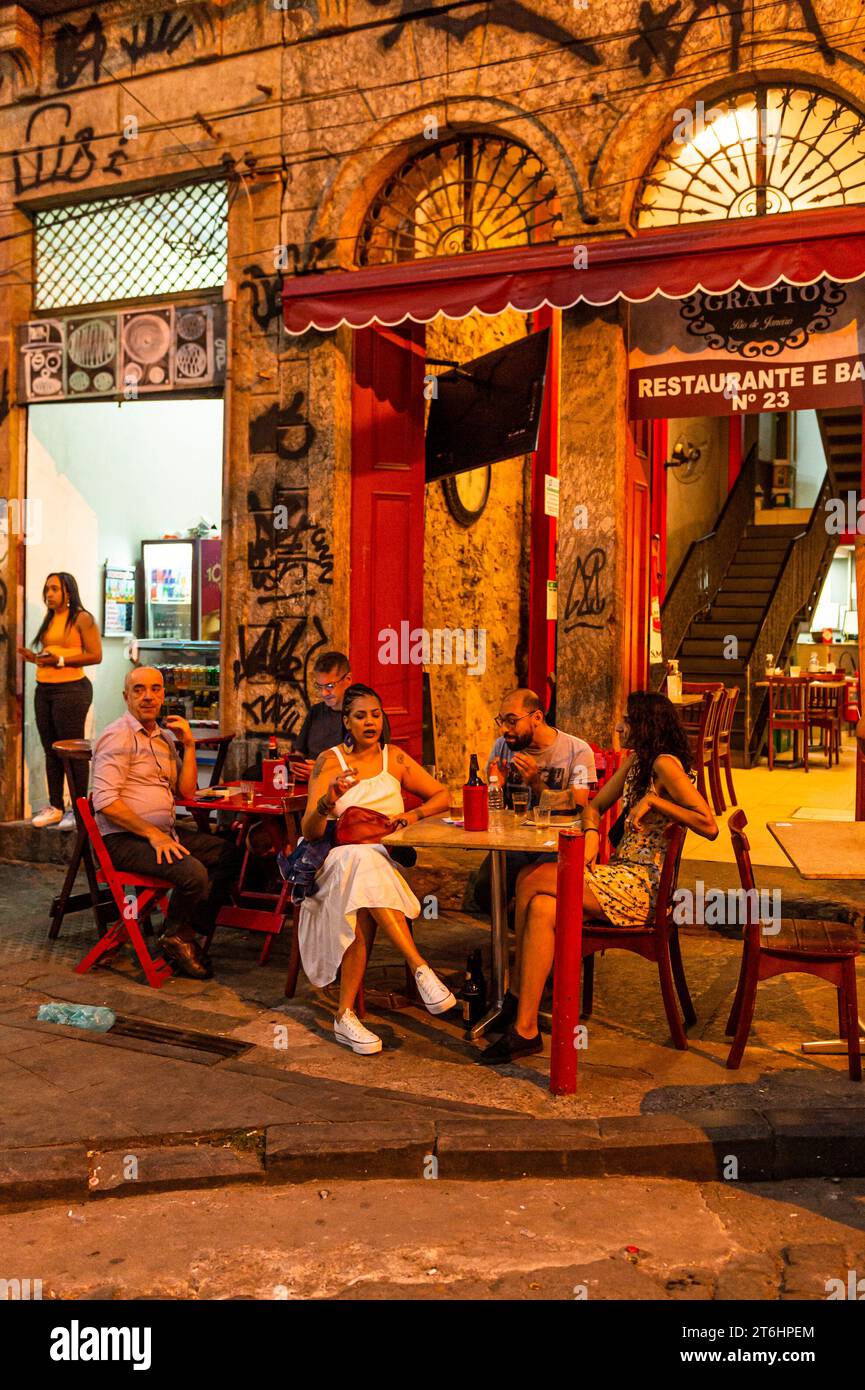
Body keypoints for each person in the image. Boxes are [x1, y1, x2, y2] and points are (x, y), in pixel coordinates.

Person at [481, 690, 718, 1064]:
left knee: (529, 878)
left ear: (644, 724)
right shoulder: (638, 762)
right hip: (618, 876)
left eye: (626, 719)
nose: (619, 726)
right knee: (541, 907)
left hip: (641, 888)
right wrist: (592, 836)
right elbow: (593, 808)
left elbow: (709, 824)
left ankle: (512, 998)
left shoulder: (665, 765)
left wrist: (656, 801)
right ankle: (525, 1028)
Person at [297, 682, 455, 1054]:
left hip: (381, 861)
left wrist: (411, 814)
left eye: (375, 714)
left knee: (364, 886)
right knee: (359, 862)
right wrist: (327, 800)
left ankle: (345, 1016)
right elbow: (309, 830)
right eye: (360, 715)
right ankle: (419, 967)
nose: (370, 722)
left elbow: (443, 795)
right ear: (346, 722)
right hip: (336, 858)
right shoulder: (329, 761)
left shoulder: (395, 758)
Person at [90, 667, 241, 980]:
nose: (148, 696)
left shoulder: (163, 739)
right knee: (193, 874)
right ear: (126, 696)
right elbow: (104, 801)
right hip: (124, 839)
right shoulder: (117, 736)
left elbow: (186, 792)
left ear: (163, 695)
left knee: (228, 854)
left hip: (163, 833)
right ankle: (177, 937)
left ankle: (181, 933)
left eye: (155, 689)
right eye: (139, 690)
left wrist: (189, 744)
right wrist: (152, 835)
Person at [466, 688, 597, 915]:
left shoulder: (577, 751)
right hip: (512, 843)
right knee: (485, 892)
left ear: (537, 717)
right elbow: (493, 809)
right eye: (501, 721)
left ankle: (531, 929)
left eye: (511, 721)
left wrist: (536, 782)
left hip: (554, 844)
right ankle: (516, 925)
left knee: (538, 894)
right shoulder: (502, 746)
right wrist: (497, 784)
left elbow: (578, 808)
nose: (504, 729)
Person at [18, 572, 102, 829]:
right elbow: (54, 653)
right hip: (44, 689)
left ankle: (79, 810)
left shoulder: (82, 618)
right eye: (47, 589)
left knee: (72, 751)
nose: (49, 594)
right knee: (51, 750)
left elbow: (95, 655)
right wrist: (36, 658)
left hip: (72, 690)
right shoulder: (51, 618)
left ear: (68, 592)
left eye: (54, 589)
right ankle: (56, 806)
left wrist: (61, 660)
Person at [292, 651, 352, 781]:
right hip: (308, 787)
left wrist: (320, 772)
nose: (324, 693)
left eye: (330, 686)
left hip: (344, 791)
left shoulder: (361, 715)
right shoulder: (315, 712)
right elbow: (299, 753)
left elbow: (368, 766)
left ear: (347, 680)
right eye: (319, 686)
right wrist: (297, 766)